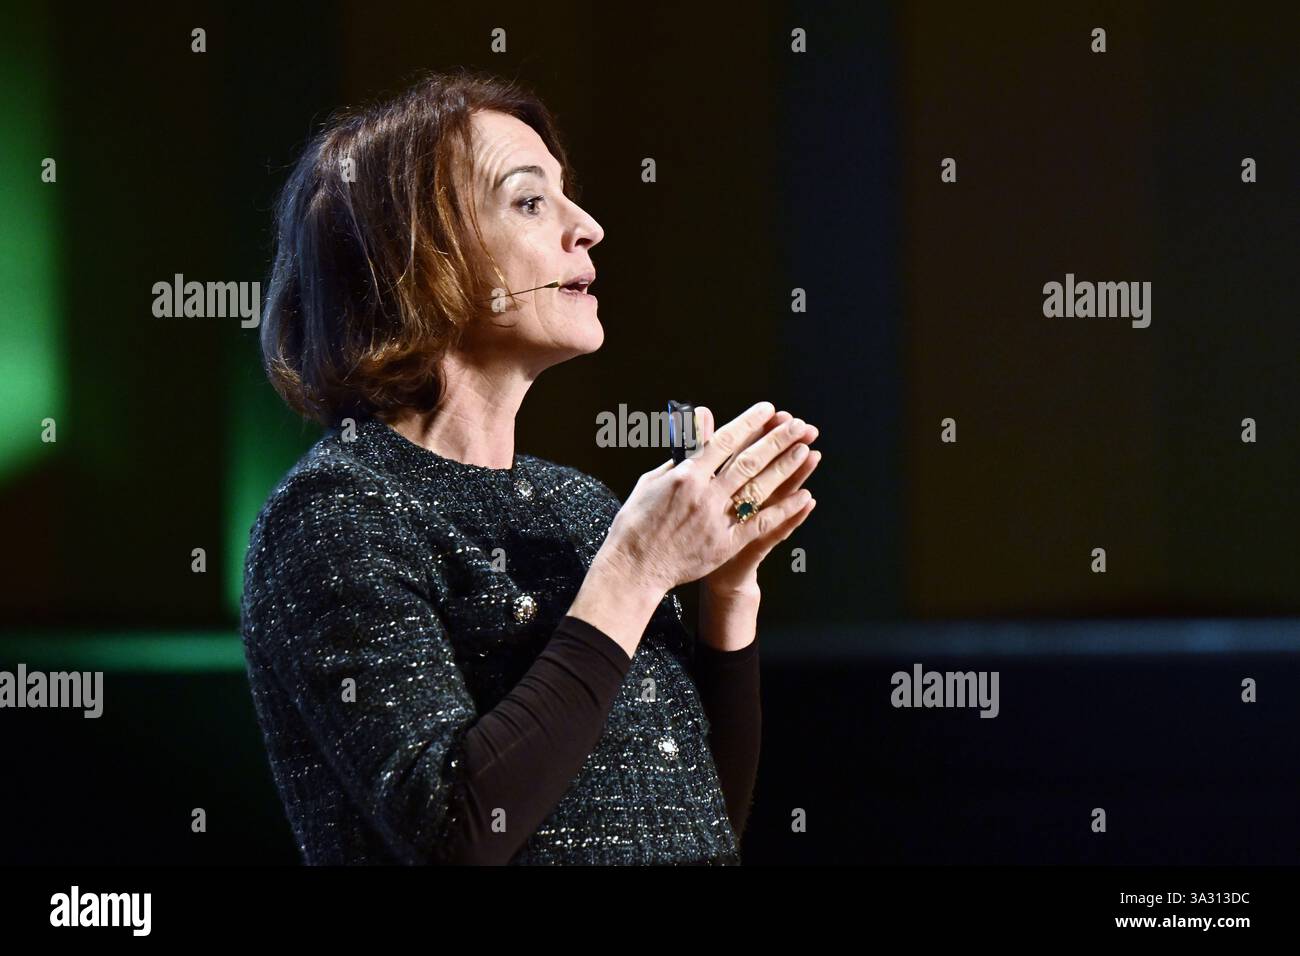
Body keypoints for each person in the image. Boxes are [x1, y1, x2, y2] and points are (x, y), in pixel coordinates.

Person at [240, 69, 822, 865]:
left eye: (565, 194)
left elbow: (698, 825)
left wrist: (728, 592)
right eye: (528, 201)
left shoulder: (578, 506)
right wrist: (636, 569)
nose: (587, 227)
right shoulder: (340, 513)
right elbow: (452, 833)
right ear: (419, 255)